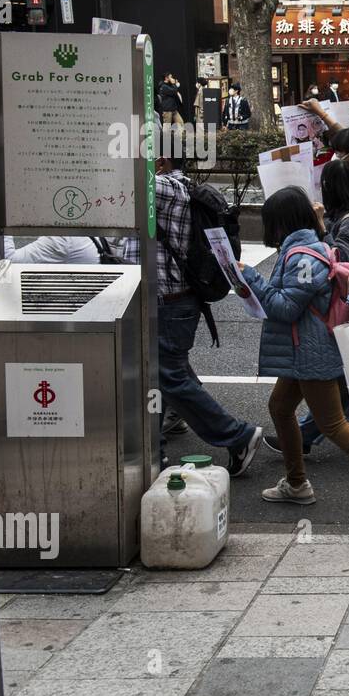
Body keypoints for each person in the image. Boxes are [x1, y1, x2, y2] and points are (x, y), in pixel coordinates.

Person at [239, 187, 349, 505]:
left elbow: (285, 307)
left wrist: (251, 277)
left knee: (332, 424)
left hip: (311, 351)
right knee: (280, 408)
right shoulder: (305, 246)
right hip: (303, 349)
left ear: (281, 222)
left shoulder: (303, 257)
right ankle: (296, 483)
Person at [120, 154, 263, 472]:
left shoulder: (168, 189)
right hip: (166, 301)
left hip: (169, 303)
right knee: (158, 376)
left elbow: (124, 178)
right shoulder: (170, 190)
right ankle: (153, 450)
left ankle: (236, 435)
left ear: (164, 159)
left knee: (166, 377)